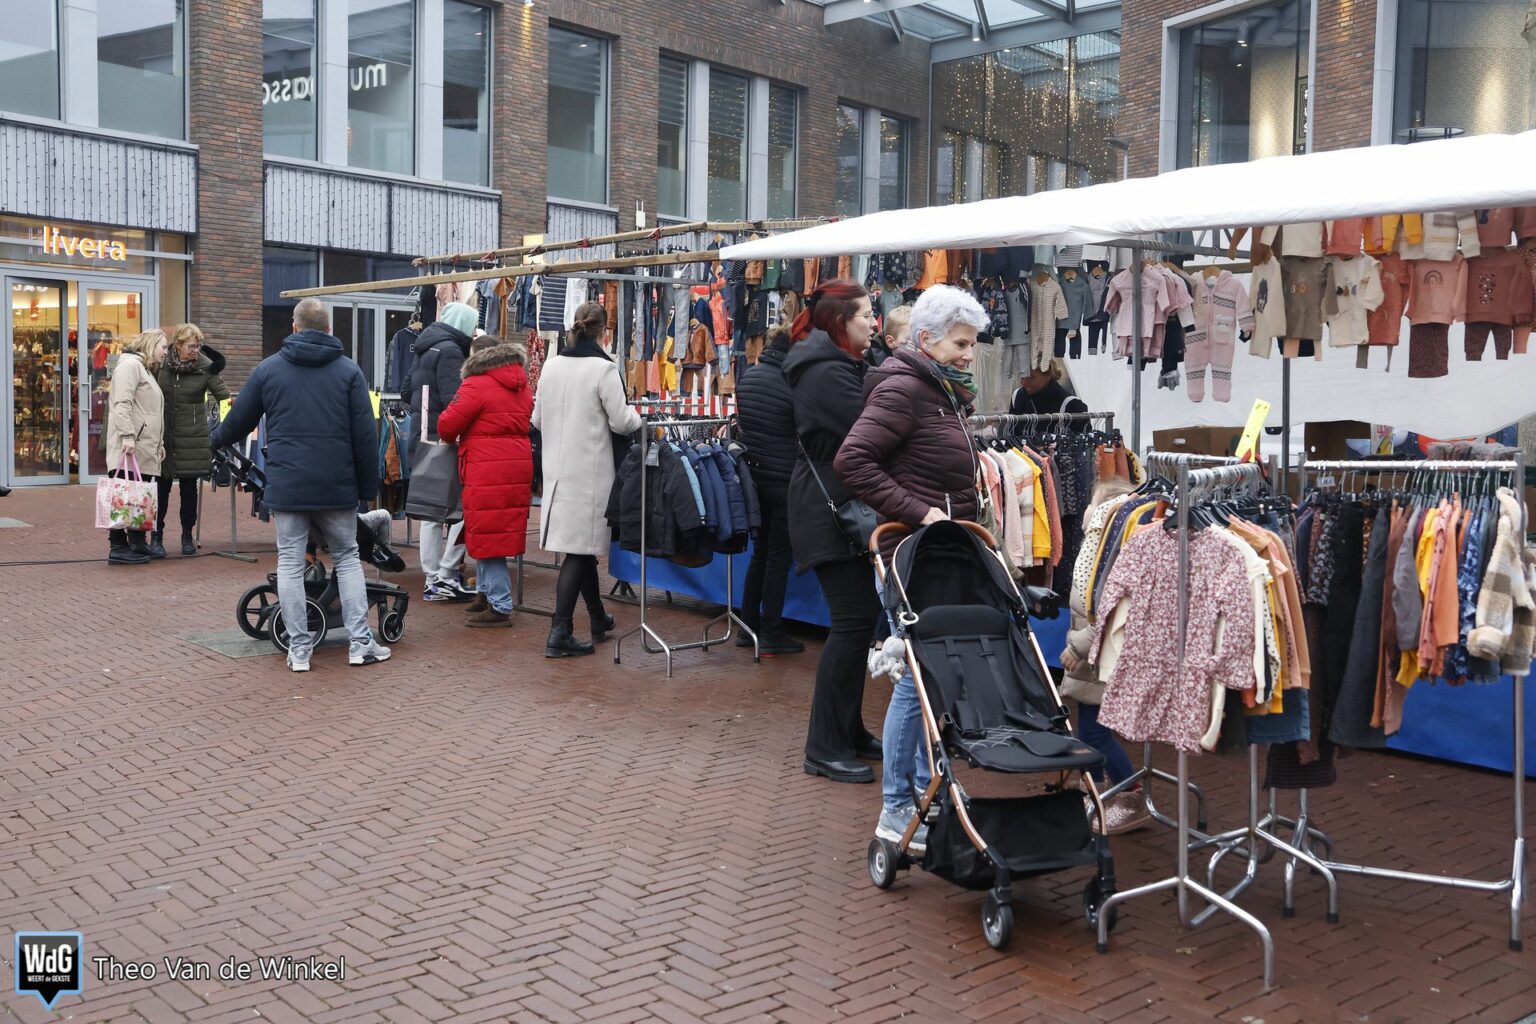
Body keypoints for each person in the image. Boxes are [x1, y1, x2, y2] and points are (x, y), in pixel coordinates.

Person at [836, 284, 985, 852]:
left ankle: (925, 791)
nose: (970, 354)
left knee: (929, 678)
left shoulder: (940, 389)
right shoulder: (906, 389)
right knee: (915, 682)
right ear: (926, 339)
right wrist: (920, 514)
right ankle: (898, 807)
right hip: (911, 555)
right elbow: (852, 460)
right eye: (961, 342)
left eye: (972, 343)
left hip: (938, 554)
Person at [211, 298, 388, 672]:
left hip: (288, 484)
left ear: (293, 327)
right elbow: (364, 436)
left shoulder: (268, 370)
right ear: (328, 330)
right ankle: (359, 644)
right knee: (347, 558)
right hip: (336, 484)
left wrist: (212, 440)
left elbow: (238, 422)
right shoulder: (349, 372)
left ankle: (300, 649)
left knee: (290, 563)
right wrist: (367, 485)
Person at [782, 280, 883, 784]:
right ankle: (823, 746)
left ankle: (847, 728)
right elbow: (876, 426)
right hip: (829, 511)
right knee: (849, 625)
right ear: (842, 320)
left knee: (859, 624)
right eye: (867, 314)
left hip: (840, 507)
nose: (874, 321)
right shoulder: (824, 374)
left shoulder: (844, 367)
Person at [531, 301, 641, 658]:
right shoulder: (603, 369)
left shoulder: (551, 367)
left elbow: (536, 420)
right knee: (579, 554)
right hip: (590, 474)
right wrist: (640, 418)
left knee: (581, 551)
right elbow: (622, 422)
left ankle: (597, 619)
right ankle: (559, 630)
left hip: (558, 472)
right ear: (603, 331)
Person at [1062, 478, 1151, 835]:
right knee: (1090, 729)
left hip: (1098, 656)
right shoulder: (1098, 544)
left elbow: (1107, 609)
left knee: (1095, 734)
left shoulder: (1110, 548)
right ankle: (1097, 792)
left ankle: (1129, 792)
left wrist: (1075, 647)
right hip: (1094, 656)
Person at [435, 335, 534, 629]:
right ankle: (486, 593)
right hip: (515, 463)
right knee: (490, 530)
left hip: (486, 466)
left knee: (488, 533)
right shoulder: (521, 383)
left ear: (477, 357)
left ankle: (500, 604)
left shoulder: (476, 384)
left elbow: (446, 426)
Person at [734, 324, 805, 656]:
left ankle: (747, 625)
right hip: (784, 477)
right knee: (778, 557)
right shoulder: (793, 383)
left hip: (755, 474)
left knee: (760, 554)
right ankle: (772, 629)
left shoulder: (750, 376)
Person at [405, 301, 478, 603]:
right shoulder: (450, 351)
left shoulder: (426, 347)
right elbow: (454, 399)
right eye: (473, 325)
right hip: (444, 439)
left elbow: (407, 387)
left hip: (423, 435)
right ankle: (444, 574)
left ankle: (433, 576)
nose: (475, 332)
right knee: (464, 508)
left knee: (431, 513)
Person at [155, 322, 230, 557]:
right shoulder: (161, 365)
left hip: (193, 437)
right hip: (164, 436)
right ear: (177, 345)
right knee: (160, 489)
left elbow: (225, 398)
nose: (195, 351)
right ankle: (156, 536)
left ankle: (187, 535)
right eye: (191, 346)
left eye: (198, 346)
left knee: (189, 490)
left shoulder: (206, 367)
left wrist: (224, 430)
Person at [104, 329, 169, 566]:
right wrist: (128, 436)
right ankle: (118, 545)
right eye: (163, 347)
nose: (165, 352)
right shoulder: (130, 367)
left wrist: (159, 443)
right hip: (132, 445)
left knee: (139, 495)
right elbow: (122, 403)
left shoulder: (143, 370)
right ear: (150, 345)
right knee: (122, 493)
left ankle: (137, 541)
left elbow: (149, 411)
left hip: (144, 446)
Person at [1010, 358, 1088, 419]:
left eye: (1031, 377)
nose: (1024, 382)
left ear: (1048, 375)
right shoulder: (1017, 396)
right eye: (1021, 376)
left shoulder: (1072, 406)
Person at [865, 303, 913, 368]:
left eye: (917, 337)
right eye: (909, 339)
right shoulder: (875, 363)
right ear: (890, 341)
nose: (917, 344)